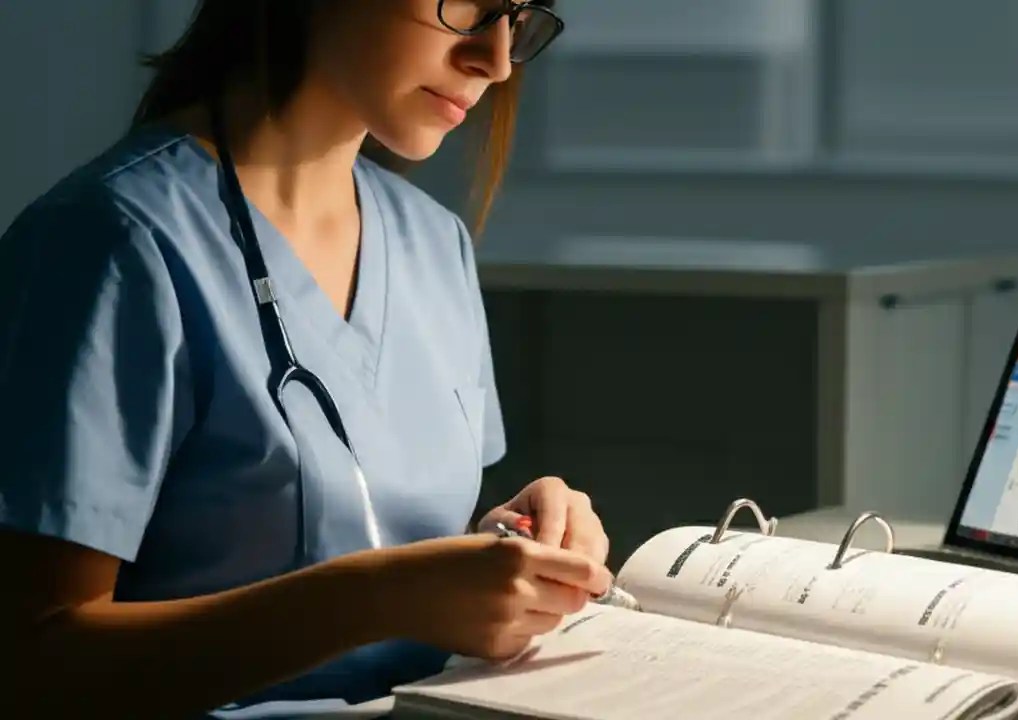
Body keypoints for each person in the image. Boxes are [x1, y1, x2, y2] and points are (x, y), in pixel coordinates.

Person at [0, 1, 612, 717]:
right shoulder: (114, 241)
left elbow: (373, 525)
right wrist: (381, 597)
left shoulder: (432, 243)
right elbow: (30, 662)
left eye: (517, 19)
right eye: (468, 7)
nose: (496, 61)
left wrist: (503, 549)